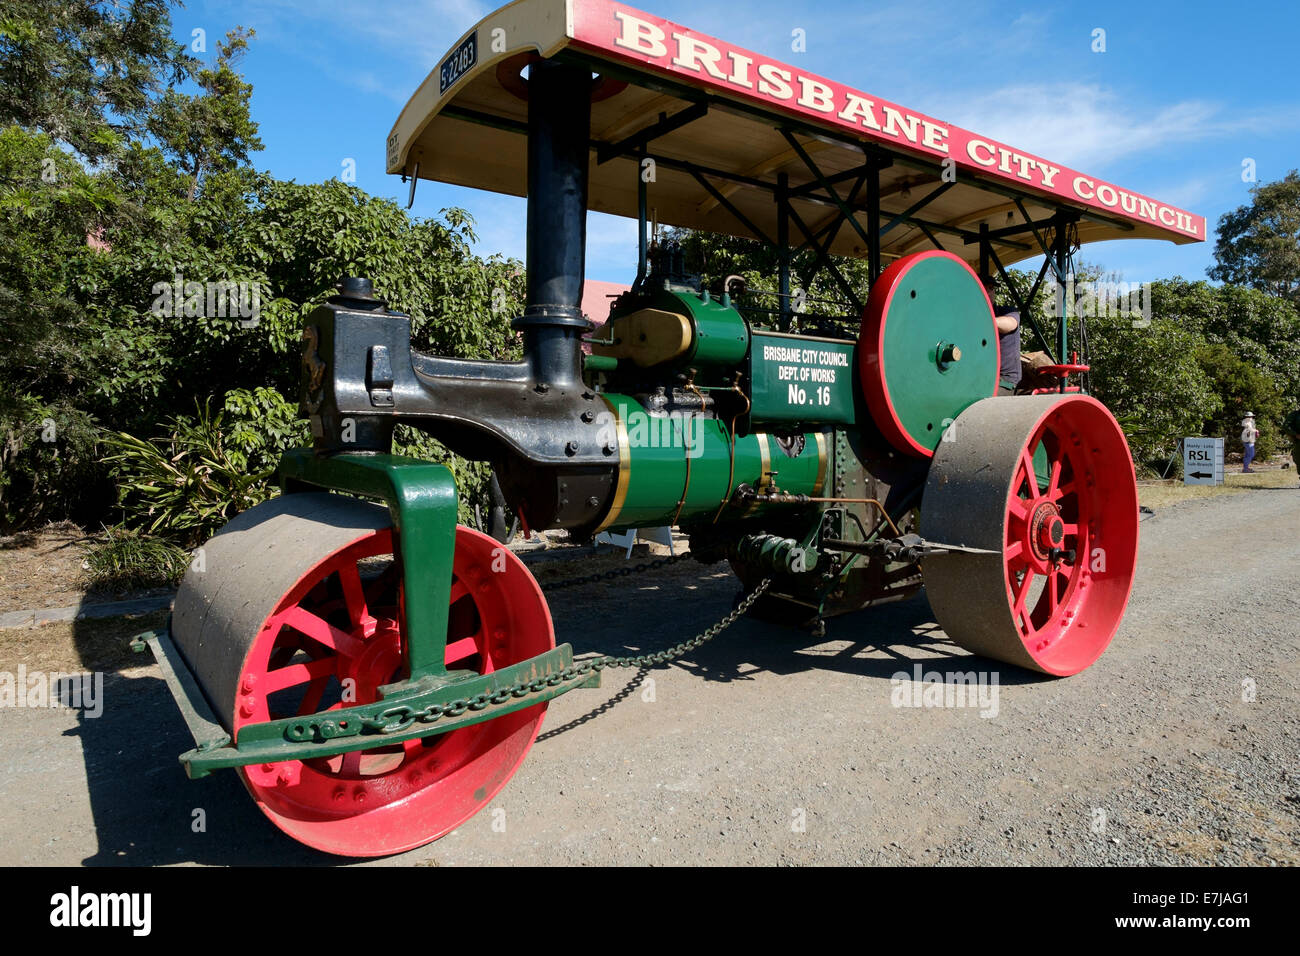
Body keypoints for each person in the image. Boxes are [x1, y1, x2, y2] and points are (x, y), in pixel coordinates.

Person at [983, 277, 1021, 395]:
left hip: (1005, 381)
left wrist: (981, 321)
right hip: (980, 379)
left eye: (991, 288)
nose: (989, 292)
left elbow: (1010, 324)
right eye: (984, 288)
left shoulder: (1008, 311)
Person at [1285, 406, 1300, 483]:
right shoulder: (1295, 415)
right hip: (1298, 441)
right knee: (1298, 459)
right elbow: (1286, 426)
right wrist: (1295, 434)